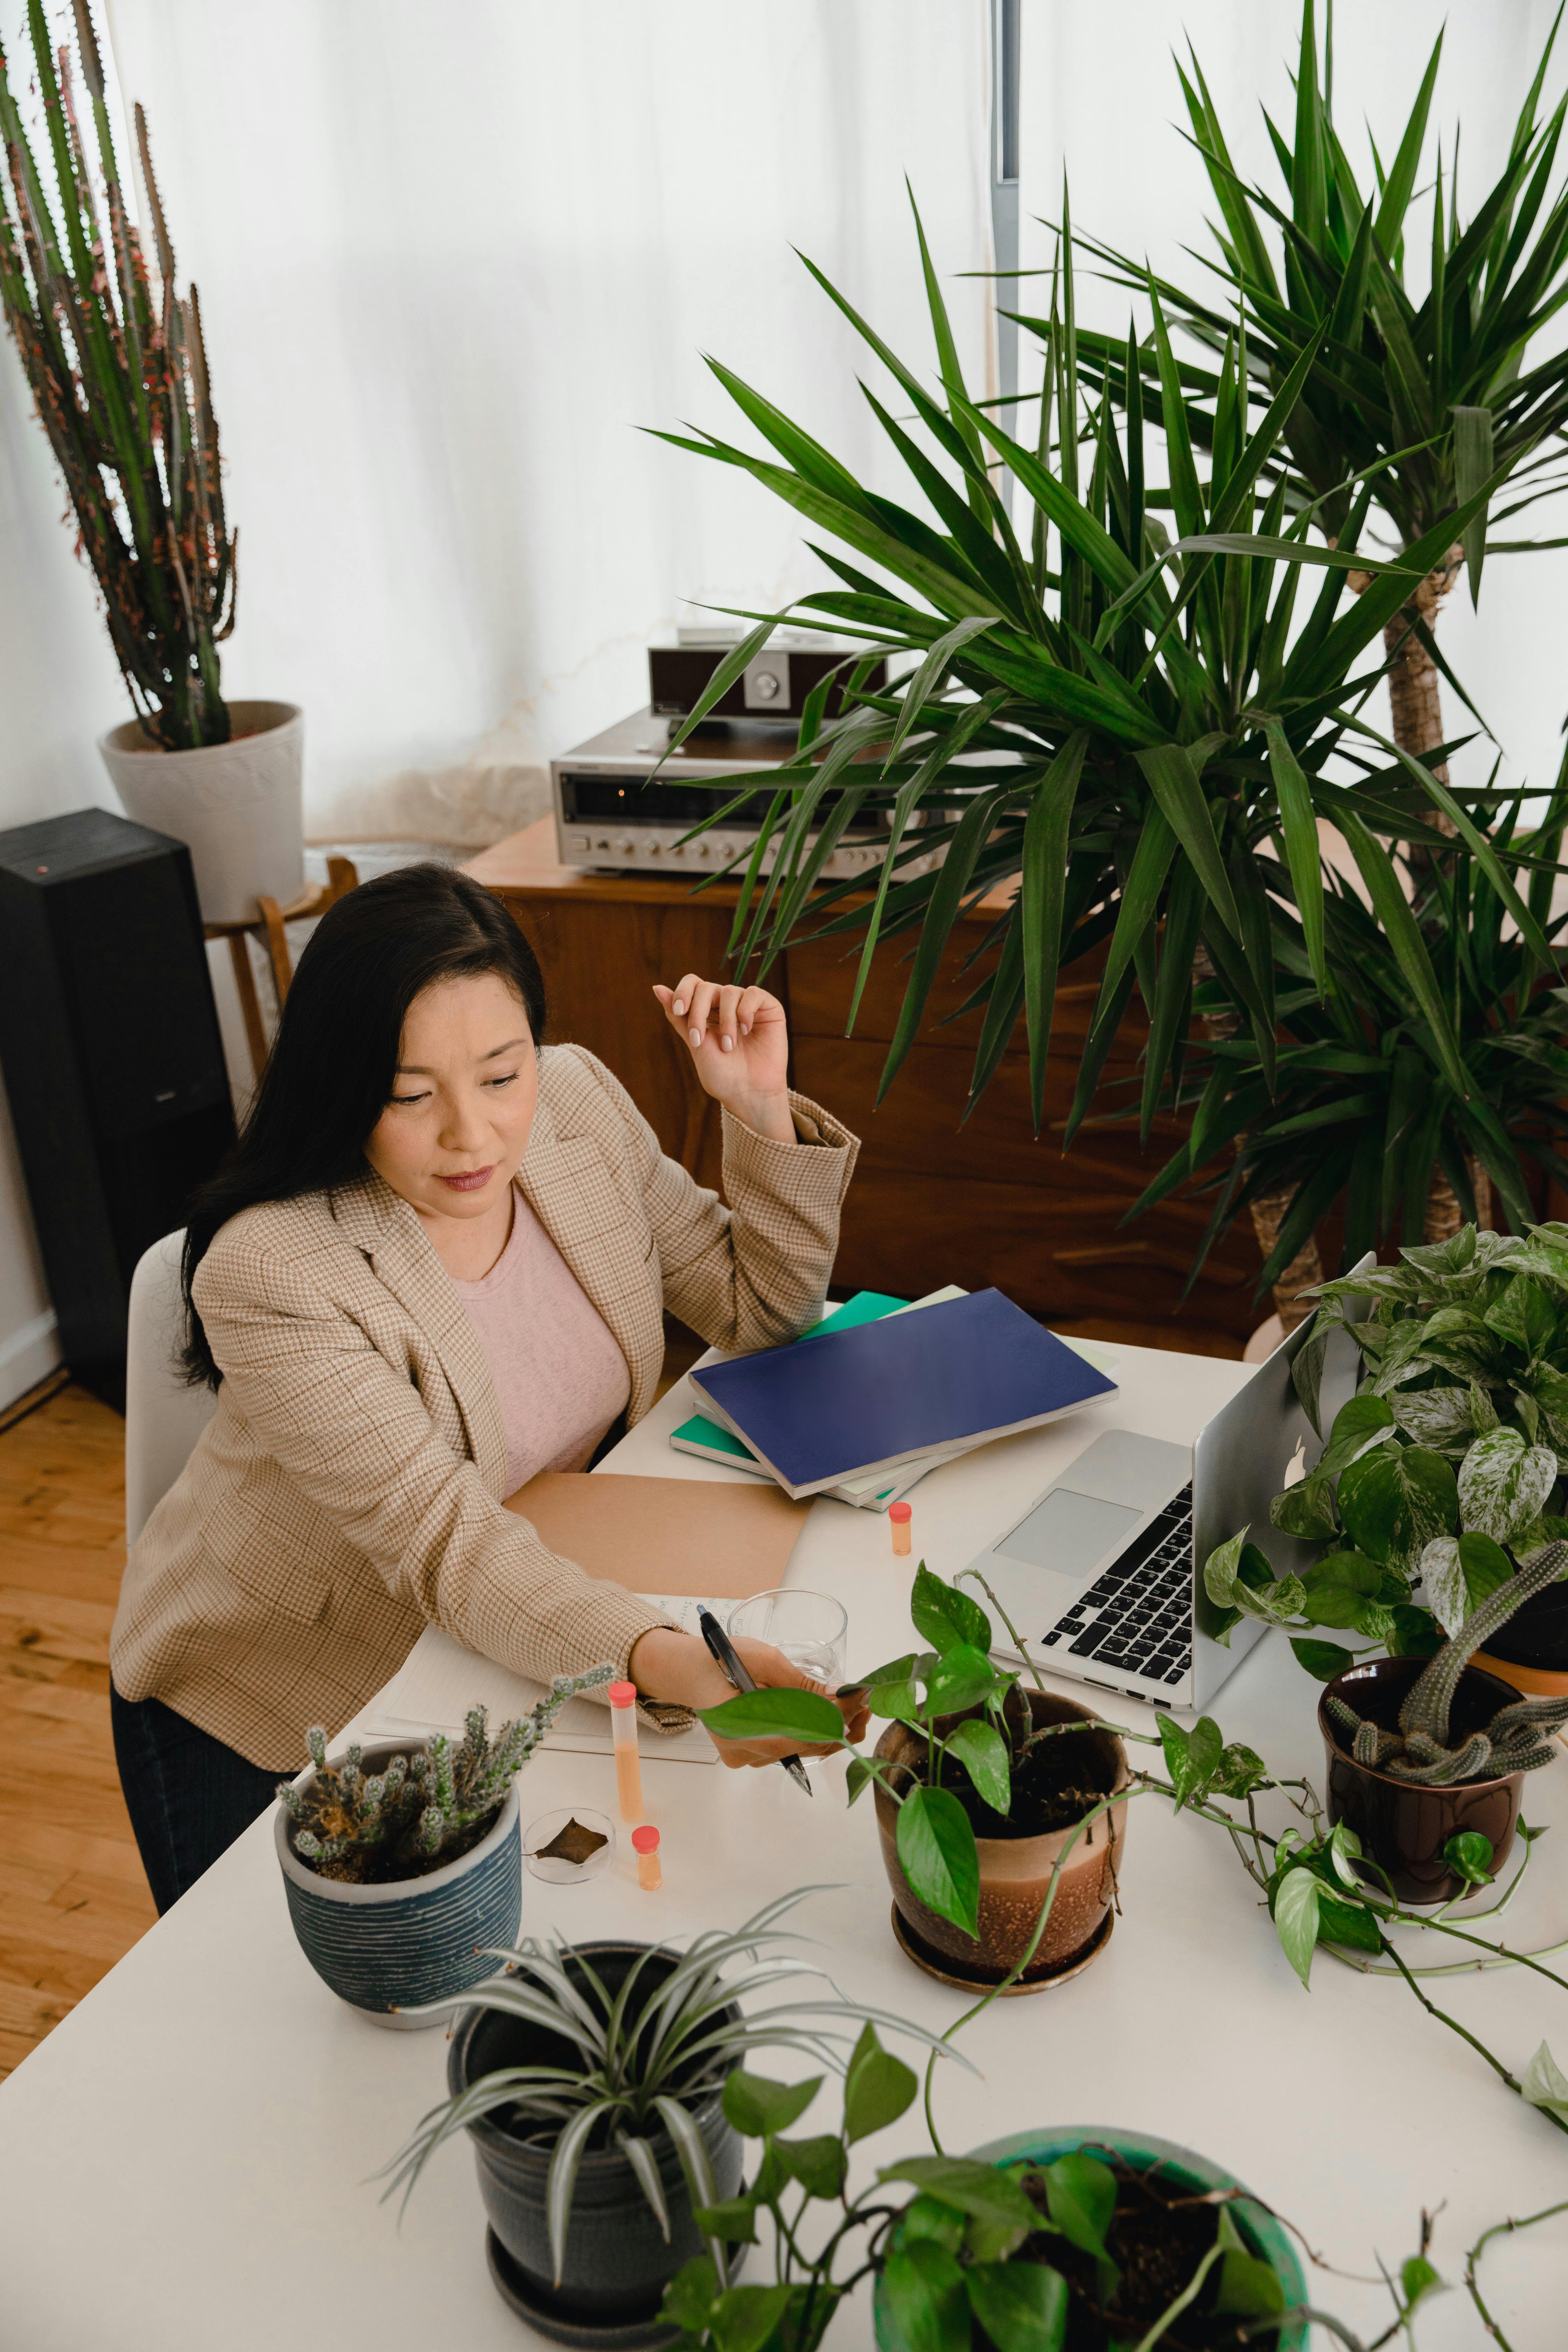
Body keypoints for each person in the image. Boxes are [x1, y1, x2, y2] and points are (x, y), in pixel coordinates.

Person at [110, 864, 869, 1911]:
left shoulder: (578, 1105)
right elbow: (445, 1544)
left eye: (503, 1075)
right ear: (343, 1085)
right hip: (276, 1691)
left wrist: (757, 1110)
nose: (473, 1135)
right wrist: (675, 1661)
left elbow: (759, 1315)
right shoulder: (274, 1269)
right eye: (411, 1095)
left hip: (497, 1635)